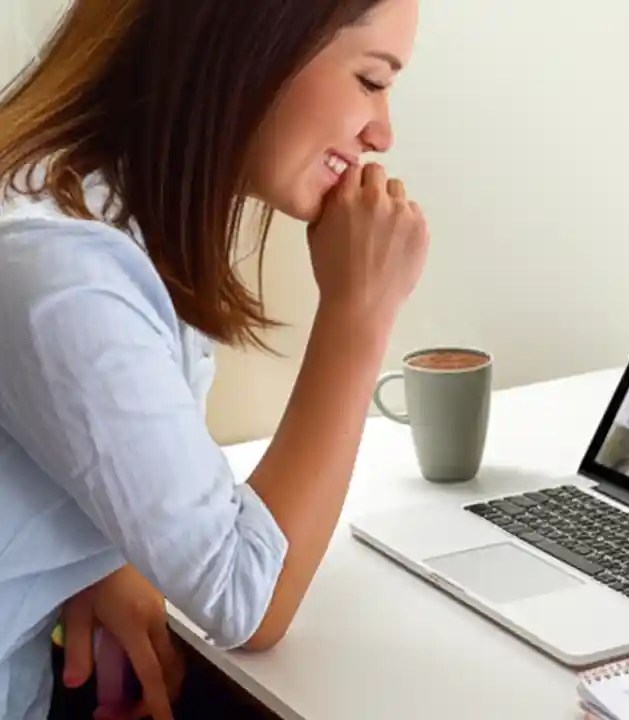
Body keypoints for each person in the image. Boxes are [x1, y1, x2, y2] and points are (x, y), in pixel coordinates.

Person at [0, 0, 428, 717]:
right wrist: (360, 314)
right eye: (370, 79)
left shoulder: (92, 211)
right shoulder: (64, 271)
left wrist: (110, 547)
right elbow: (243, 600)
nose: (382, 131)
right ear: (257, 45)